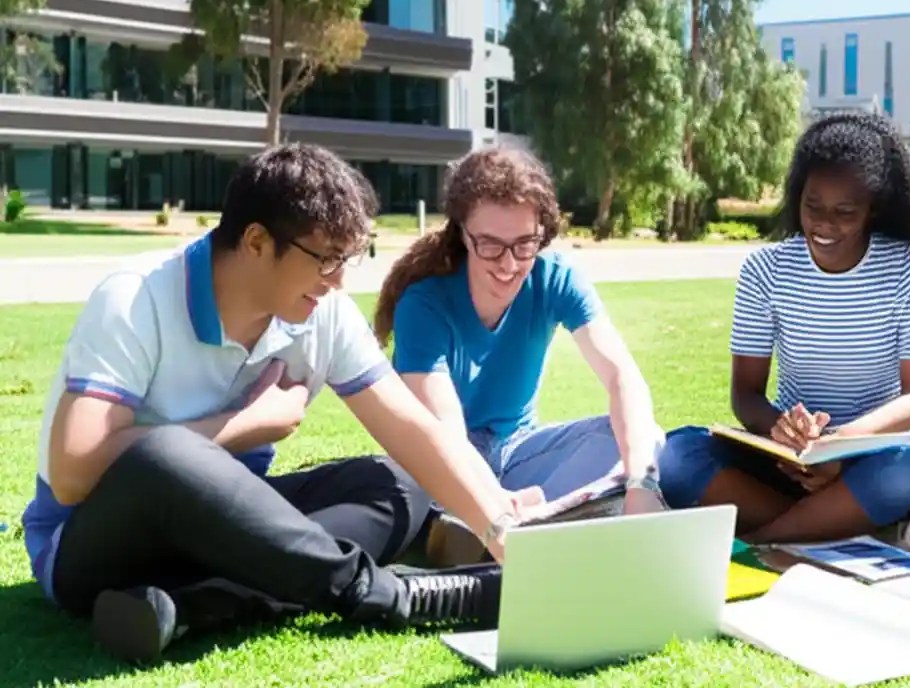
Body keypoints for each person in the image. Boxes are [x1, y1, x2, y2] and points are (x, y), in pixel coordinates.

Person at [19, 143, 542, 664]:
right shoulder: (136, 299)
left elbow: (412, 428)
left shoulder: (322, 312)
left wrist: (498, 524)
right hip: (94, 548)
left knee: (400, 483)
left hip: (225, 539)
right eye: (327, 258)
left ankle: (194, 605)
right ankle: (391, 596)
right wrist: (244, 423)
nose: (338, 280)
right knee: (167, 456)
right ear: (256, 242)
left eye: (349, 258)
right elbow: (73, 472)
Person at [657, 111, 910, 545]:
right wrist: (784, 433)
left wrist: (836, 444)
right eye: (813, 206)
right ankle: (842, 527)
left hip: (871, 457)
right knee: (676, 454)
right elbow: (746, 395)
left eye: (845, 212)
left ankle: (767, 543)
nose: (824, 224)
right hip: (785, 457)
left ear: (874, 207)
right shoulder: (765, 270)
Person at [371, 146, 667, 547]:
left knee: (641, 436)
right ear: (462, 232)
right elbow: (446, 434)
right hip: (447, 456)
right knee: (419, 483)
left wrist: (642, 484)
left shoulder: (556, 277)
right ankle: (510, 521)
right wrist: (488, 498)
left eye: (525, 244)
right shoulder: (423, 303)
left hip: (518, 452)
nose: (508, 264)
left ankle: (517, 522)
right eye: (490, 245)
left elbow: (622, 378)